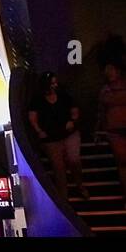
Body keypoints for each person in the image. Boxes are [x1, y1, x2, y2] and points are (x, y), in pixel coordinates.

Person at [27, 72, 87, 201]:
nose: (55, 85)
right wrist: (39, 131)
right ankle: (63, 197)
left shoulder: (64, 95)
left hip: (69, 134)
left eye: (55, 83)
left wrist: (72, 120)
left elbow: (74, 110)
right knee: (58, 167)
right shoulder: (37, 99)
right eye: (52, 83)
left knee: (74, 159)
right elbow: (33, 118)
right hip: (51, 138)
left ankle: (80, 185)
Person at [96, 58, 126, 193]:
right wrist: (98, 130)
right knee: (122, 161)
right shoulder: (105, 90)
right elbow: (101, 111)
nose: (109, 73)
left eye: (112, 70)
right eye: (107, 71)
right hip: (114, 130)